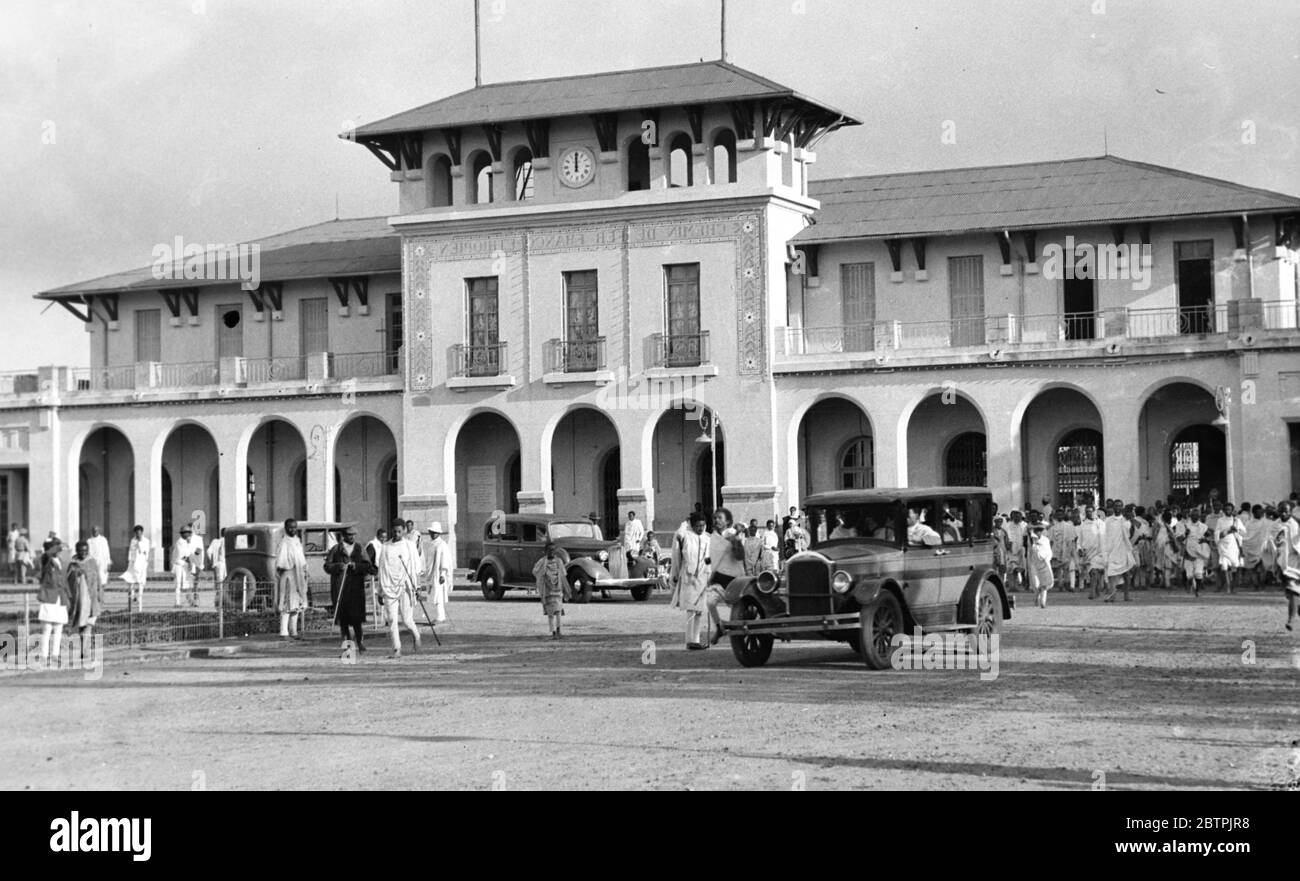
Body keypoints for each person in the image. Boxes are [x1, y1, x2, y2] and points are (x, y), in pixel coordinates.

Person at [377, 520, 421, 658]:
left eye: (399, 531)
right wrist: (380, 591)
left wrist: (418, 587)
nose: (396, 534)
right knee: (392, 620)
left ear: (403, 531)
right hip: (389, 587)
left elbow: (416, 568)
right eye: (394, 531)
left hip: (405, 586)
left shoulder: (410, 546)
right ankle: (397, 649)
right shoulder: (385, 547)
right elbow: (382, 570)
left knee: (407, 620)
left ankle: (417, 636)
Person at [324, 525, 371, 653]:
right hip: (340, 589)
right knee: (344, 621)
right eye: (349, 535)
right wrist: (338, 566)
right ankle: (348, 648)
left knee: (357, 619)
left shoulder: (359, 548)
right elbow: (327, 566)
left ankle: (360, 643)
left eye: (354, 535)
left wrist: (356, 566)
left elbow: (368, 565)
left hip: (355, 590)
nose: (352, 537)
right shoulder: (336, 549)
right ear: (344, 536)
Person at [670, 512, 712, 650]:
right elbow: (677, 552)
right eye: (697, 525)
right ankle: (689, 641)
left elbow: (709, 559)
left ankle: (696, 639)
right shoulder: (685, 536)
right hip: (689, 577)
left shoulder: (707, 538)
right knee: (690, 609)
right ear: (692, 525)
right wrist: (675, 573)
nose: (700, 528)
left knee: (699, 610)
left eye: (702, 525)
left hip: (702, 577)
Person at [704, 508, 745, 645]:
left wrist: (736, 542)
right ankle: (719, 627)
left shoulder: (734, 535)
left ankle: (738, 631)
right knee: (710, 602)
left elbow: (740, 556)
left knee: (737, 609)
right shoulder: (713, 537)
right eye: (715, 518)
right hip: (718, 578)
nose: (716, 520)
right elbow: (712, 557)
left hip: (734, 578)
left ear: (728, 521)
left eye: (720, 518)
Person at [36, 538, 70, 668]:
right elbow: (49, 554)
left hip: (60, 597)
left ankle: (55, 655)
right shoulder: (46, 560)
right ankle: (44, 656)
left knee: (58, 628)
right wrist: (60, 545)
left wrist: (68, 597)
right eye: (55, 547)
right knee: (47, 629)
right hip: (49, 596)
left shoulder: (60, 561)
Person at [66, 540, 103, 658]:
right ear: (77, 551)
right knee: (81, 624)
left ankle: (84, 650)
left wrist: (100, 593)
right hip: (78, 600)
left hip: (92, 599)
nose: (84, 553)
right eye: (81, 551)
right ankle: (83, 648)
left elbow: (98, 579)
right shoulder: (72, 564)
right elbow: (67, 580)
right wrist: (77, 573)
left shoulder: (92, 562)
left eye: (86, 551)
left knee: (89, 624)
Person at [274, 518, 309, 640]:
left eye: (295, 527)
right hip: (289, 575)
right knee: (287, 604)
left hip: (299, 575)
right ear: (285, 528)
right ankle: (283, 632)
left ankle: (293, 631)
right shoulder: (284, 542)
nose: (293, 529)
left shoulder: (297, 541)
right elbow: (280, 562)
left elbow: (301, 558)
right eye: (290, 527)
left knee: (297, 604)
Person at [1100, 500, 1137, 602]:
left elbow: (1131, 533)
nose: (1117, 508)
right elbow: (1105, 535)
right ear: (1113, 507)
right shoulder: (1108, 521)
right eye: (1116, 506)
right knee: (1112, 573)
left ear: (1122, 507)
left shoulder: (1126, 521)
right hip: (1112, 550)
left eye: (1120, 506)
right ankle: (1112, 594)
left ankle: (1127, 595)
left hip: (1123, 549)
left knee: (1126, 573)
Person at [532, 542, 569, 639]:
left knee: (558, 612)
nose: (551, 552)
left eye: (553, 550)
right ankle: (553, 632)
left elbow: (563, 575)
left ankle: (558, 630)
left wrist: (566, 589)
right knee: (550, 613)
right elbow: (535, 571)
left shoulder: (559, 562)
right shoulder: (542, 562)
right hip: (547, 591)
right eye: (549, 550)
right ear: (545, 551)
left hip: (558, 590)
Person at [424, 522, 453, 624]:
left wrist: (443, 574)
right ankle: (440, 615)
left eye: (434, 532)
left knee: (438, 595)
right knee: (434, 594)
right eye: (431, 532)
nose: (432, 534)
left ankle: (441, 616)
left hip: (438, 573)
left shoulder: (442, 544)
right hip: (432, 573)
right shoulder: (430, 544)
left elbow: (445, 560)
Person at [1178, 508, 1211, 597]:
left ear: (1199, 516)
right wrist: (1185, 534)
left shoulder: (1203, 526)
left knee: (1198, 573)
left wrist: (1205, 539)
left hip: (1199, 553)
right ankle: (1189, 587)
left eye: (1197, 515)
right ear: (1190, 515)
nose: (1195, 517)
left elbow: (1210, 536)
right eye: (1193, 515)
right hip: (1188, 553)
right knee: (1189, 575)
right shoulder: (1185, 525)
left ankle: (1198, 590)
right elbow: (1179, 539)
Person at [1214, 503, 1243, 594]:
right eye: (1226, 509)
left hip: (1233, 546)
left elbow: (1243, 532)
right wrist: (1226, 532)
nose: (1227, 511)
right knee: (1224, 567)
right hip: (1223, 546)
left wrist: (1236, 530)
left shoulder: (1237, 520)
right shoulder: (1220, 520)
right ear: (1223, 510)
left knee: (1235, 566)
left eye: (1229, 509)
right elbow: (1217, 533)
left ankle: (1233, 586)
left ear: (1232, 510)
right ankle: (1228, 586)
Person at [1077, 506, 1105, 599]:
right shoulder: (1083, 525)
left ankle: (1091, 592)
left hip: (1098, 551)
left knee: (1094, 571)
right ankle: (1096, 589)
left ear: (1095, 512)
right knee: (1091, 572)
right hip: (1087, 552)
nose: (1089, 513)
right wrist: (1079, 548)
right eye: (1087, 512)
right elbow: (1079, 539)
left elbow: (1104, 537)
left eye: (1091, 511)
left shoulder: (1100, 523)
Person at [172, 524, 203, 607]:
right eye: (185, 532)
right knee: (178, 584)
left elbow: (196, 551)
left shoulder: (188, 542)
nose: (187, 534)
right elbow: (183, 555)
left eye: (188, 532)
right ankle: (177, 602)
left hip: (188, 565)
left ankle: (190, 601)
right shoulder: (180, 542)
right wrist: (190, 561)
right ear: (182, 533)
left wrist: (197, 556)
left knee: (189, 584)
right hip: (179, 565)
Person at [122, 525, 150, 608]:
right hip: (133, 563)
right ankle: (133, 596)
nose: (138, 535)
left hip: (141, 563)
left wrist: (140, 542)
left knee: (141, 582)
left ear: (142, 532)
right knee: (131, 581)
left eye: (139, 533)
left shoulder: (146, 541)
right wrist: (129, 560)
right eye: (136, 533)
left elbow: (145, 552)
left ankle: (140, 599)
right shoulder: (133, 540)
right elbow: (130, 551)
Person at [1282, 503, 1300, 631]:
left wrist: (1293, 517)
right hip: (1289, 561)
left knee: (1295, 592)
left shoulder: (1295, 519)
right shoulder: (1277, 524)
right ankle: (1291, 620)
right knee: (1292, 590)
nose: (1284, 514)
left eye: (1286, 512)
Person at [1028, 521, 1054, 608]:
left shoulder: (1046, 540)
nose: (1038, 531)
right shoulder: (1031, 540)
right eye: (1037, 530)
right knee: (1036, 584)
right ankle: (1037, 596)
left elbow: (1049, 552)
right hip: (1034, 565)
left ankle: (1043, 602)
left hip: (1044, 564)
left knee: (1044, 584)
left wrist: (1047, 559)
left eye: (1040, 530)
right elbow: (1029, 553)